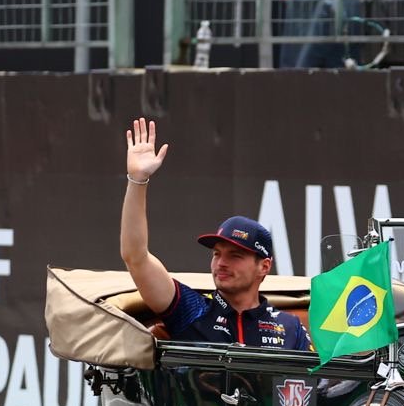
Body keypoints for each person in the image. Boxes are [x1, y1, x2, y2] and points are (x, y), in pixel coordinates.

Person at [119, 118, 313, 350]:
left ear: (264, 266)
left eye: (235, 256)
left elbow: (310, 386)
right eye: (216, 254)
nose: (221, 263)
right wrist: (138, 180)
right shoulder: (193, 309)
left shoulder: (290, 327)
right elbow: (136, 257)